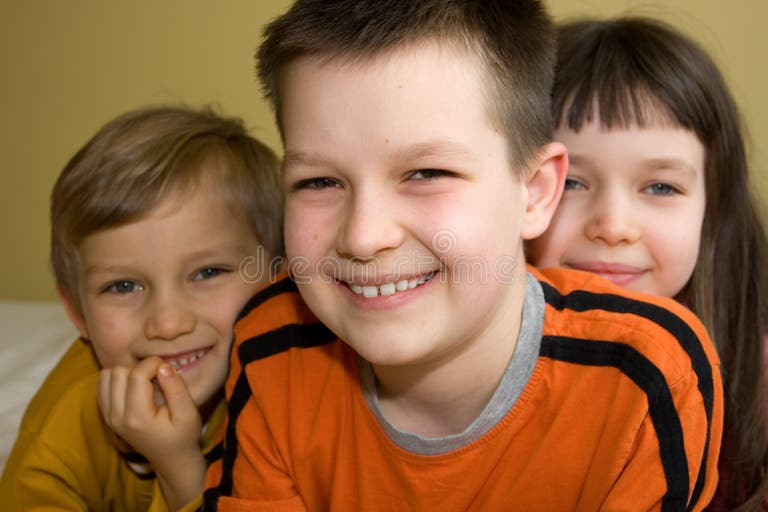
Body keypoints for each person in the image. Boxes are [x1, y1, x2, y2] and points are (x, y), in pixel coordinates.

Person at [202, 1, 724, 510]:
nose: (363, 236)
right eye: (319, 181)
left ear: (536, 192)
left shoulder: (646, 380)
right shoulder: (270, 347)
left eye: (427, 173)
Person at [526, 16, 768, 512]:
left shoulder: (759, 383)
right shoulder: (460, 371)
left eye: (660, 187)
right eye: (572, 183)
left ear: (712, 206)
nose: (613, 226)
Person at [0, 105, 284, 511]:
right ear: (77, 313)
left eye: (207, 273)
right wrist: (175, 466)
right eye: (124, 285)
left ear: (279, 278)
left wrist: (177, 467)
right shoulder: (62, 433)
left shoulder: (294, 386)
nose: (168, 324)